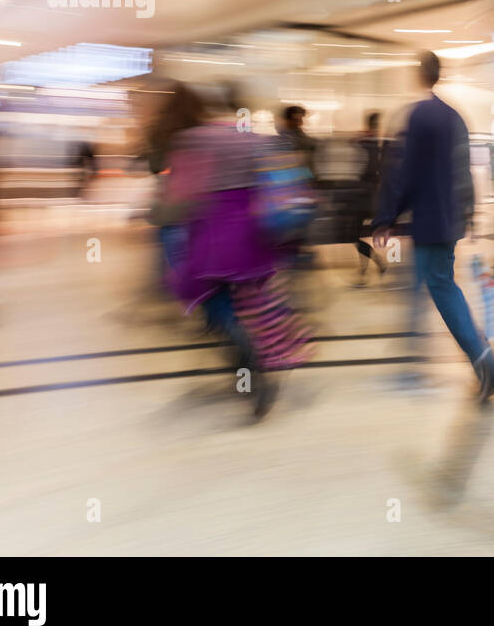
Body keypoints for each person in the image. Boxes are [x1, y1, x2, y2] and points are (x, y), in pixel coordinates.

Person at [164, 83, 311, 418]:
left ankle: (250, 369)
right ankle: (256, 373)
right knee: (254, 306)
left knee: (219, 310)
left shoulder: (195, 140)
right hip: (251, 237)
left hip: (211, 238)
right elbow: (277, 186)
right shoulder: (254, 140)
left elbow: (180, 196)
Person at [372, 52, 494, 402]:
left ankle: (483, 358)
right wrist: (469, 214)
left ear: (419, 74)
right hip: (447, 220)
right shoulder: (454, 116)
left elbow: (404, 173)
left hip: (428, 220)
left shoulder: (419, 115)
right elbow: (465, 170)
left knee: (442, 289)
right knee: (428, 285)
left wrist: (385, 217)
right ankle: (415, 361)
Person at [347, 111, 387, 285]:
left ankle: (375, 264)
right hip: (372, 199)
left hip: (361, 199)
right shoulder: (377, 144)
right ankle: (364, 271)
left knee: (353, 237)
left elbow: (360, 170)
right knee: (359, 236)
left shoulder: (364, 143)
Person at [278, 105, 317, 171]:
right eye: (296, 120)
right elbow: (299, 143)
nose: (301, 123)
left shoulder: (297, 132)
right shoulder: (283, 136)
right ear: (286, 120)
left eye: (301, 119)